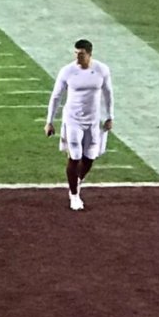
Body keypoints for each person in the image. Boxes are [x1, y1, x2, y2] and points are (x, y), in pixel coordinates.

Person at [44, 39, 114, 212]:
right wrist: (49, 121)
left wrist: (110, 116)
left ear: (90, 54)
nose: (77, 57)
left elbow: (108, 94)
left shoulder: (101, 70)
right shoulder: (67, 71)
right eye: (75, 53)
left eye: (81, 54)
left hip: (93, 121)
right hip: (72, 120)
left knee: (90, 158)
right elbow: (56, 96)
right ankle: (74, 195)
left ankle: (76, 182)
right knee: (74, 156)